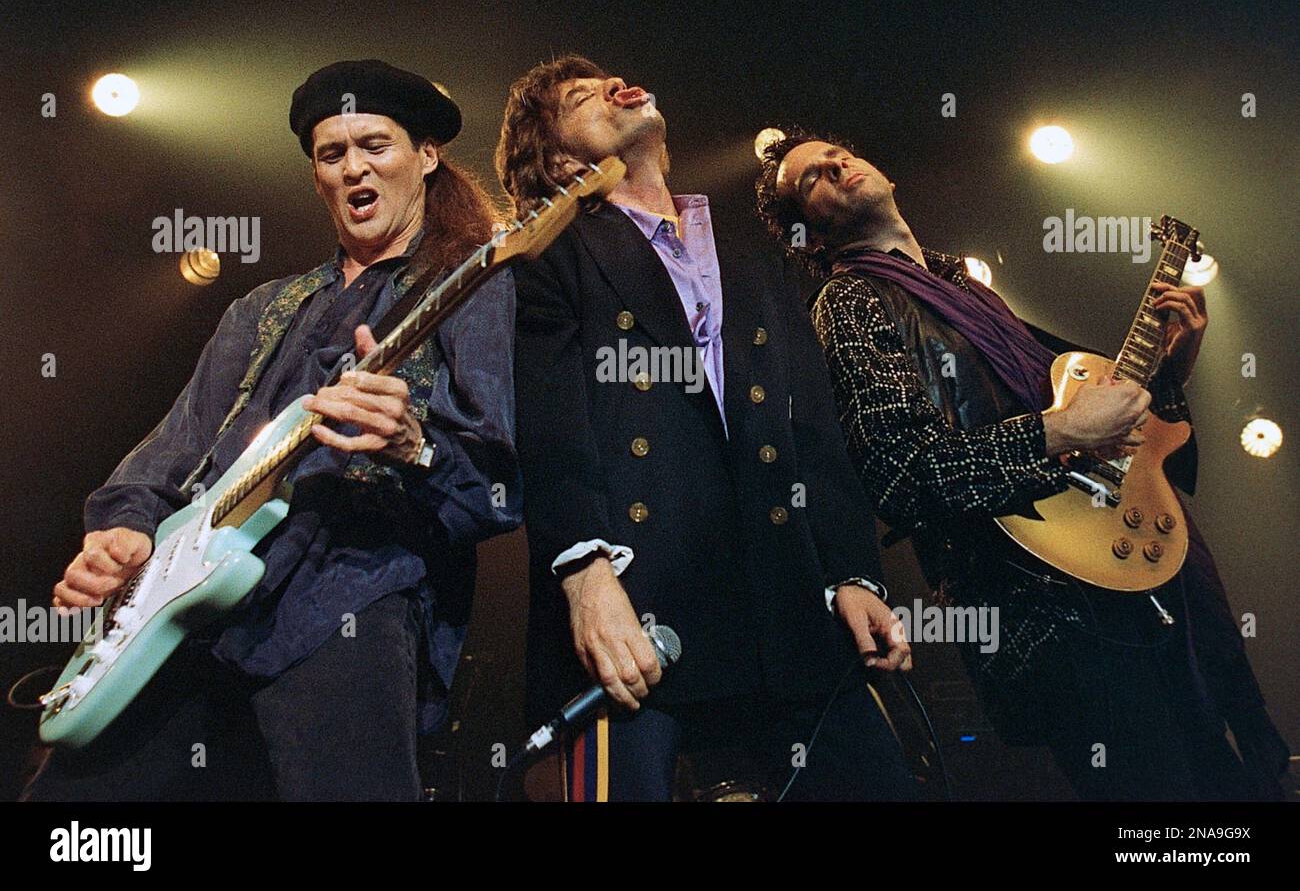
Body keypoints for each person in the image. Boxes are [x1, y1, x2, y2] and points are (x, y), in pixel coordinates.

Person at [25, 60, 521, 801]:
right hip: (186, 613)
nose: (354, 165)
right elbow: (169, 453)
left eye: (375, 144)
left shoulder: (472, 287)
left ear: (426, 156)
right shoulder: (262, 307)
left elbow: (500, 488)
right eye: (332, 152)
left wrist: (413, 444)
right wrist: (122, 533)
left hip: (346, 601)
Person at [757, 129, 1290, 800]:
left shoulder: (969, 291)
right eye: (811, 179)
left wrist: (1172, 367)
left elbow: (1112, 442)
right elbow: (901, 471)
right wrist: (1060, 428)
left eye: (839, 154)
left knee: (1231, 778)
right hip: (1050, 610)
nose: (835, 165)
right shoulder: (849, 303)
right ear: (812, 232)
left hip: (1142, 575)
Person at [495, 57, 918, 801]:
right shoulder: (551, 252)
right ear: (560, 158)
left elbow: (812, 427)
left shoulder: (750, 252)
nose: (619, 89)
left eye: (616, 81)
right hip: (637, 604)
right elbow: (551, 428)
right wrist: (586, 575)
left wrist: (851, 570)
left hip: (783, 595)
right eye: (586, 99)